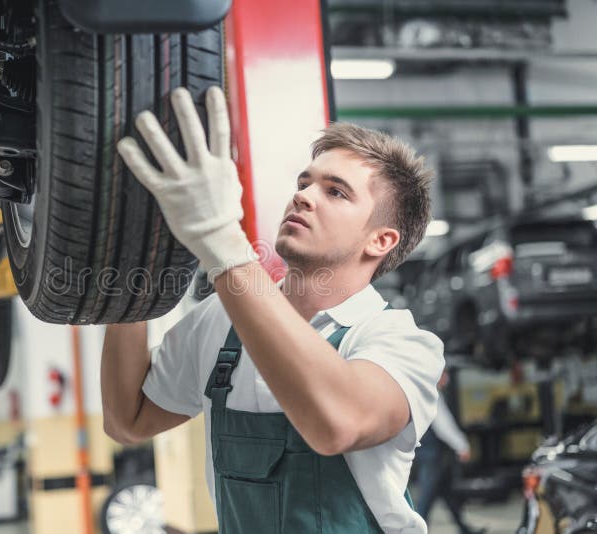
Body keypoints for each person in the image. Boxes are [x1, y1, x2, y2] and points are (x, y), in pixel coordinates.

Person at [100, 86, 445, 533]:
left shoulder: (399, 343)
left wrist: (221, 238)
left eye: (336, 192)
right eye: (305, 183)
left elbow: (336, 424)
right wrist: (132, 265)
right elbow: (128, 419)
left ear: (380, 240)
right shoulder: (221, 321)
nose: (303, 196)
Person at [415, 371, 486, 534]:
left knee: (448, 495)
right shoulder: (433, 395)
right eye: (443, 374)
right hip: (432, 455)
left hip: (429, 453)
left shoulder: (423, 393)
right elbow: (443, 425)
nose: (446, 378)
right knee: (425, 498)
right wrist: (461, 446)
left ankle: (464, 529)